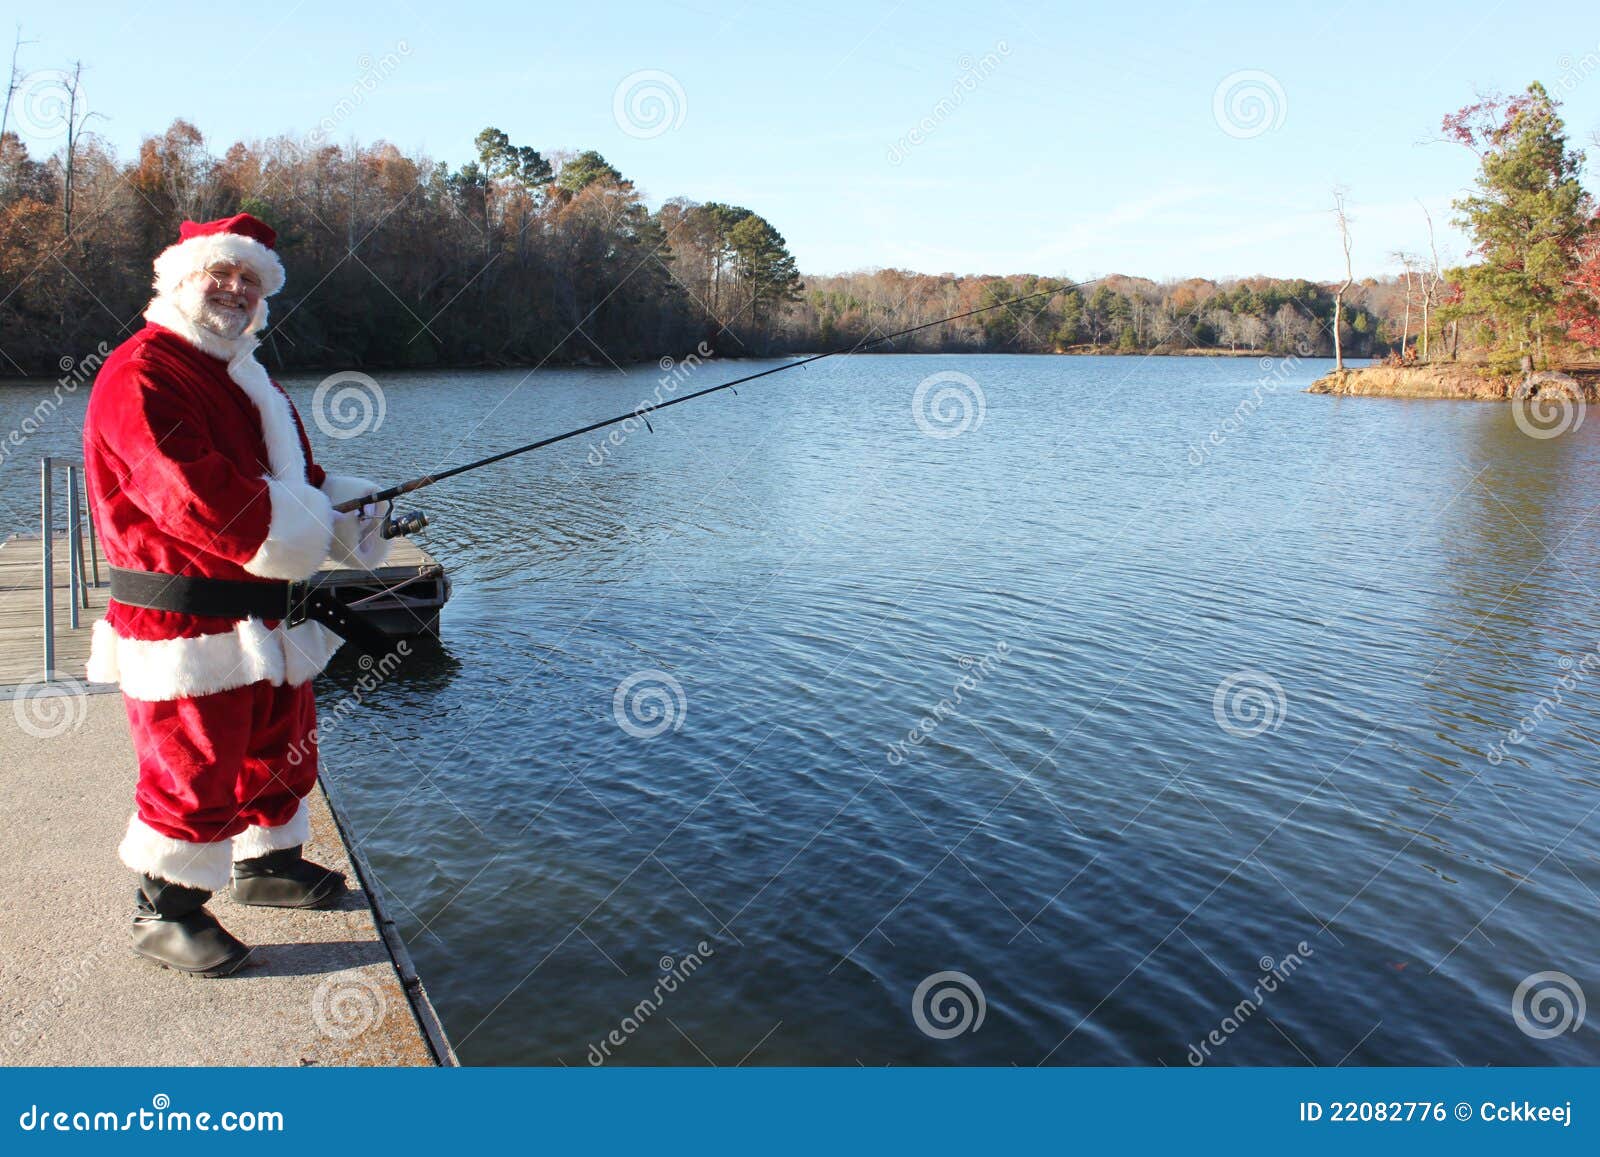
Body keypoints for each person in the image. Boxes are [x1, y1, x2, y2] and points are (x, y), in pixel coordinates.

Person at [82, 212, 391, 977]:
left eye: (249, 279)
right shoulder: (141, 370)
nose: (235, 289)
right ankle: (164, 910)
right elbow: (196, 497)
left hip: (265, 611)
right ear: (180, 278)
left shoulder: (249, 376)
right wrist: (306, 528)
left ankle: (268, 866)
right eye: (221, 273)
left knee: (278, 749)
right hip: (184, 620)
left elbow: (296, 485)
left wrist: (352, 510)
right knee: (194, 764)